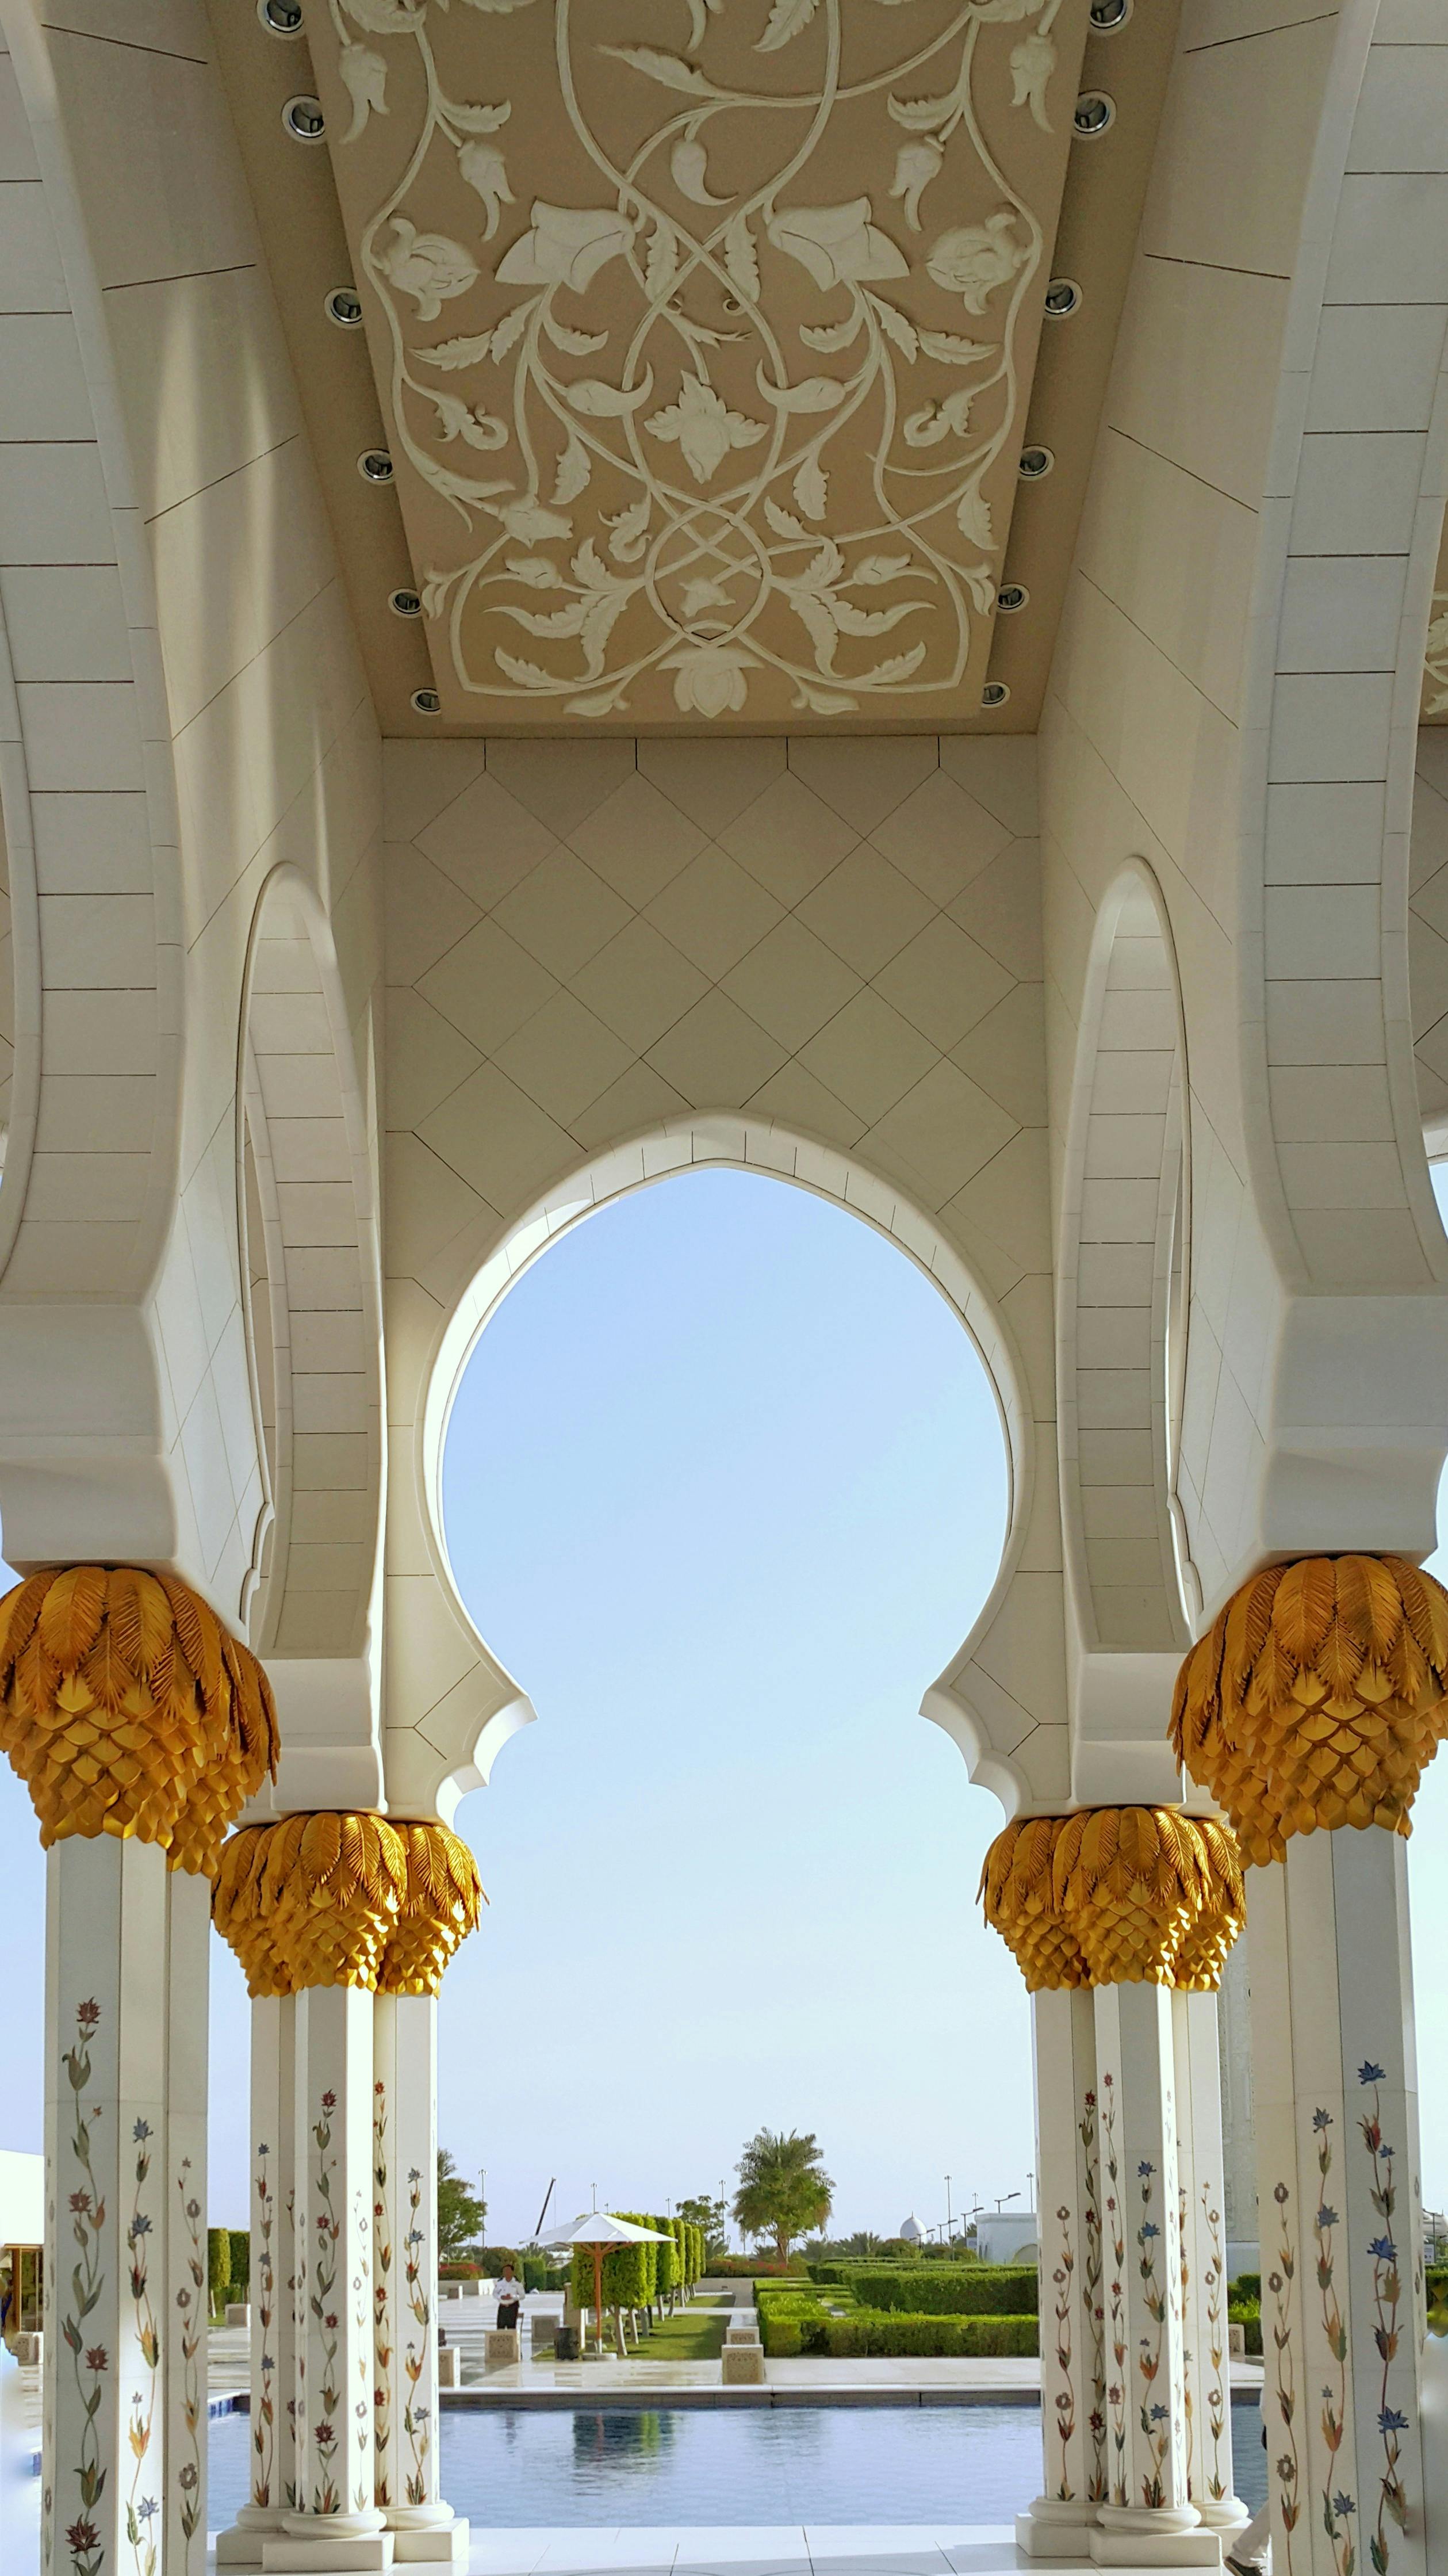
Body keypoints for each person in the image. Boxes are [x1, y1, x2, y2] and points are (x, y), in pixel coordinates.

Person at [495, 2260, 523, 2333]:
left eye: (508, 2271)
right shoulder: (500, 2283)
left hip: (513, 2307)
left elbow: (522, 2296)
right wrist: (501, 2297)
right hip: (502, 2307)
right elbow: (495, 2294)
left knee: (511, 2328)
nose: (506, 2273)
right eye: (505, 2271)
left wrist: (512, 2297)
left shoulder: (517, 2284)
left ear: (512, 2272)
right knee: (500, 2328)